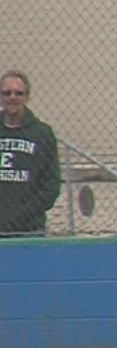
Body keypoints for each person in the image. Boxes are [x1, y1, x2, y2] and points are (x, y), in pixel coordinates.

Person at [0, 70, 61, 237]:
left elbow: (51, 185)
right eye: (7, 93)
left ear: (27, 97)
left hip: (28, 229)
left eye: (19, 93)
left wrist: (21, 216)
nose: (13, 97)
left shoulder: (42, 134)